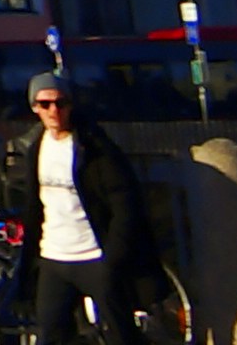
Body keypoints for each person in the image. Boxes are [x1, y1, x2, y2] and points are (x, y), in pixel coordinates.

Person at [18, 76, 160, 344]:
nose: (54, 111)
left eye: (61, 103)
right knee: (50, 334)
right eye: (45, 104)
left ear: (70, 105)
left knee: (121, 334)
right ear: (35, 107)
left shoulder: (93, 146)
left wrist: (113, 256)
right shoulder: (36, 148)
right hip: (53, 257)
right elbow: (35, 206)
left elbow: (124, 201)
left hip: (94, 256)